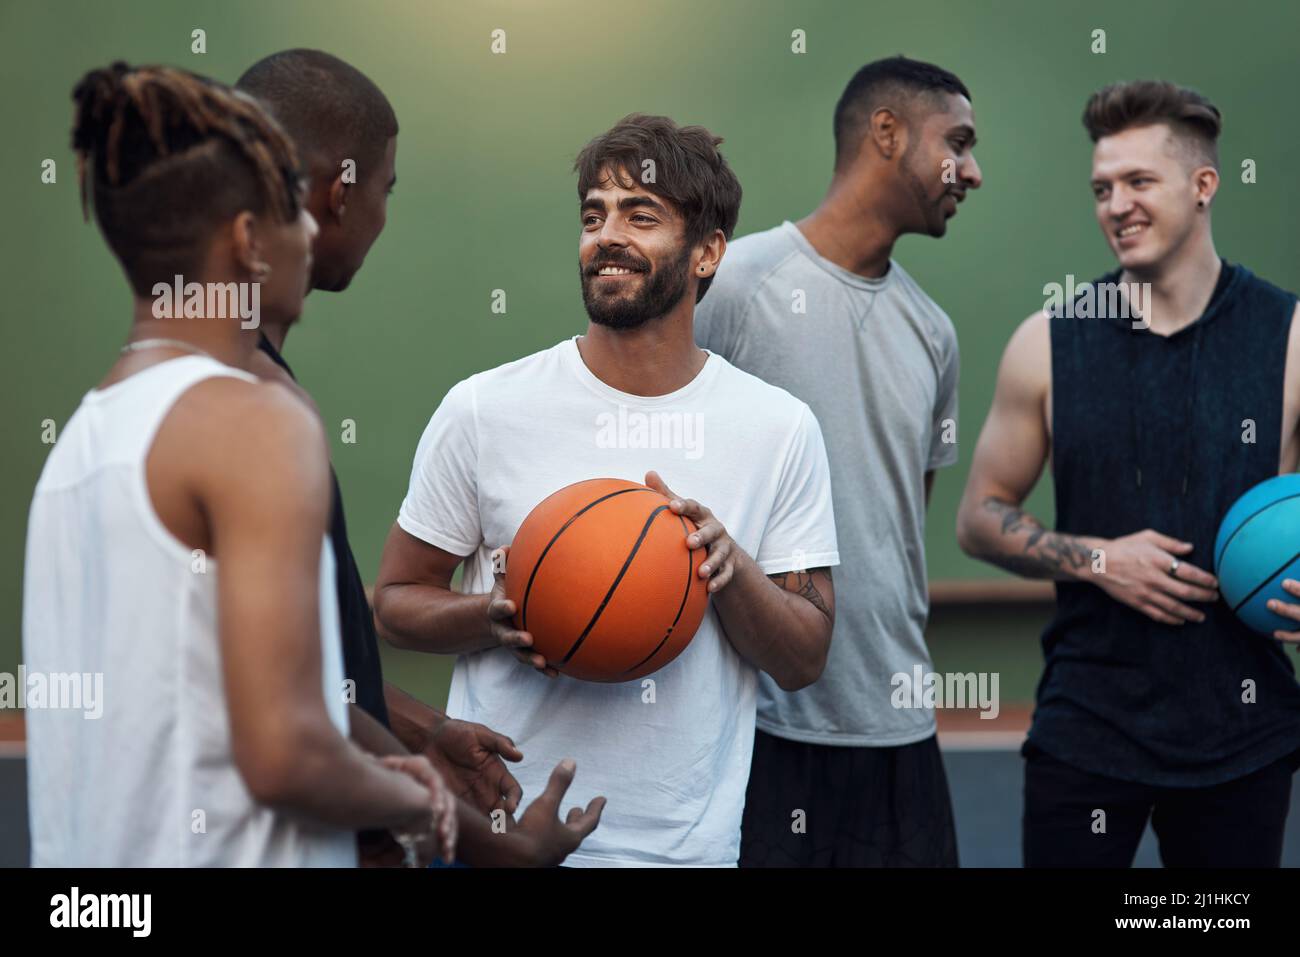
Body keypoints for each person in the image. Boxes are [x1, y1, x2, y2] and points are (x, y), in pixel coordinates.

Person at [374, 114, 841, 866]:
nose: (606, 236)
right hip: (501, 836)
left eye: (640, 215)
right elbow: (393, 602)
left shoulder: (778, 427)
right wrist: (495, 618)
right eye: (594, 216)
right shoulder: (484, 408)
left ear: (707, 253)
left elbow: (804, 657)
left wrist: (730, 569)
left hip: (685, 849)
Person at [23, 62, 454, 866]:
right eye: (293, 206)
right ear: (252, 240)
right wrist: (421, 802)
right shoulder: (255, 421)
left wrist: (405, 743)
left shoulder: (81, 442)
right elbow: (285, 753)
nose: (310, 227)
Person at [236, 50, 604, 867]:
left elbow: (307, 671)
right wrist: (495, 849)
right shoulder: (248, 412)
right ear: (337, 193)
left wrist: (424, 727)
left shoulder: (184, 394)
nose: (382, 213)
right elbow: (292, 714)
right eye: (386, 189)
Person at [956, 80, 1300, 867]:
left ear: (1203, 185)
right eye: (1102, 188)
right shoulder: (1048, 340)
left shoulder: (1290, 336)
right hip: (1088, 727)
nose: (1117, 204)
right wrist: (1101, 560)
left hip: (1243, 731)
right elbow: (979, 514)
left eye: (1139, 181)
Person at [695, 55, 980, 867]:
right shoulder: (736, 286)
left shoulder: (934, 333)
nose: (973, 172)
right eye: (957, 142)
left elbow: (896, 531)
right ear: (886, 133)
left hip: (903, 728)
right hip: (765, 732)